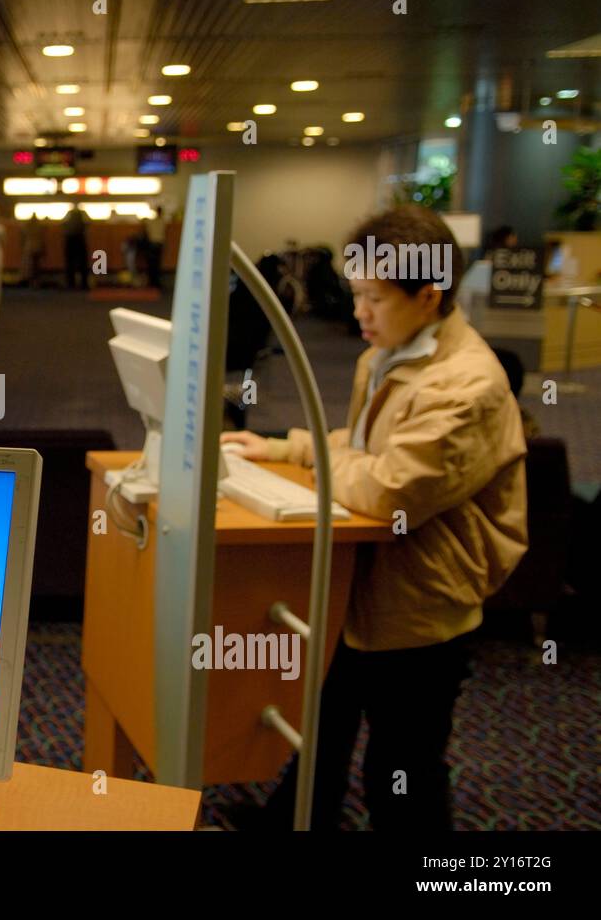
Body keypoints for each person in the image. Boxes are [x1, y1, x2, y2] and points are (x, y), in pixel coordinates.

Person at [221, 205, 528, 831]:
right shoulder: (387, 350)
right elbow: (360, 445)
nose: (358, 311)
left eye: (374, 298)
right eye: (356, 293)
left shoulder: (465, 386)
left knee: (403, 768)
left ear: (428, 295)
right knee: (323, 726)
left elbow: (391, 489)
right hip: (363, 579)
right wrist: (288, 447)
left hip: (420, 604)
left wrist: (330, 462)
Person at [62, 206, 89, 290]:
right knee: (82, 263)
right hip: (79, 239)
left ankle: (71, 284)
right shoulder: (82, 214)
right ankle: (83, 284)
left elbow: (63, 224)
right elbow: (88, 223)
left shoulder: (69, 214)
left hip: (70, 240)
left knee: (70, 263)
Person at [144, 206, 166, 289]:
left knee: (152, 264)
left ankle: (152, 282)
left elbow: (145, 222)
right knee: (156, 264)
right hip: (158, 245)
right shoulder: (163, 221)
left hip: (152, 244)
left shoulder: (152, 222)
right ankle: (155, 282)